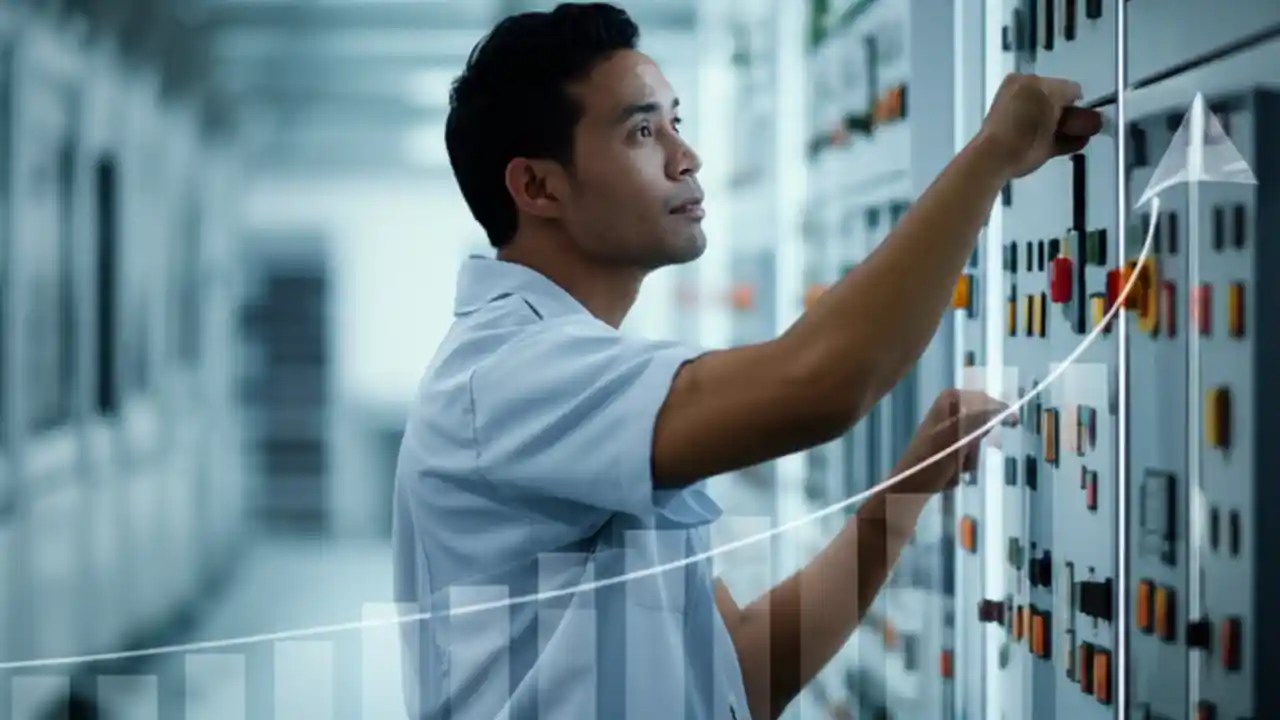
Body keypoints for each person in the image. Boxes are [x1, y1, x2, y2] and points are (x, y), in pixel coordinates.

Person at [391, 3, 1102, 719]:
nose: (685, 156)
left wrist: (903, 493)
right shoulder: (512, 374)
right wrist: (992, 155)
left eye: (677, 121)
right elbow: (820, 381)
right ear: (538, 187)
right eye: (642, 131)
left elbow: (744, 672)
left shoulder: (575, 372)